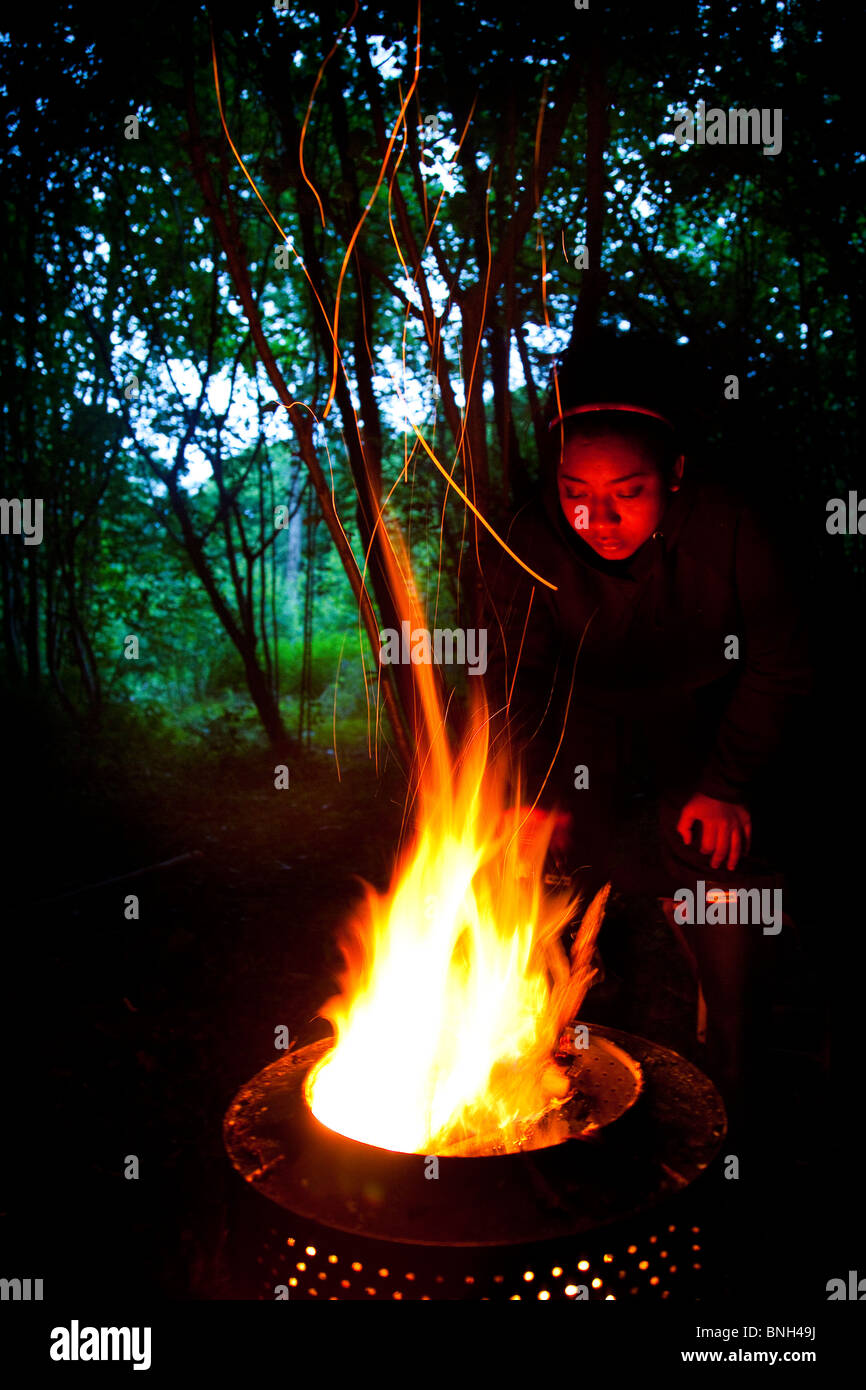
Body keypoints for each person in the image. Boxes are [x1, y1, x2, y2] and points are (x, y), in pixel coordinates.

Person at [481, 337, 812, 1122]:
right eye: (575, 493)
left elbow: (782, 664)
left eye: (627, 492)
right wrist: (532, 792)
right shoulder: (528, 539)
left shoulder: (736, 528)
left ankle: (731, 1063)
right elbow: (512, 679)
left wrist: (726, 787)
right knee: (527, 866)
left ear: (675, 476)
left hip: (710, 730)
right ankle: (543, 1069)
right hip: (584, 737)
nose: (598, 518)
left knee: (723, 871)